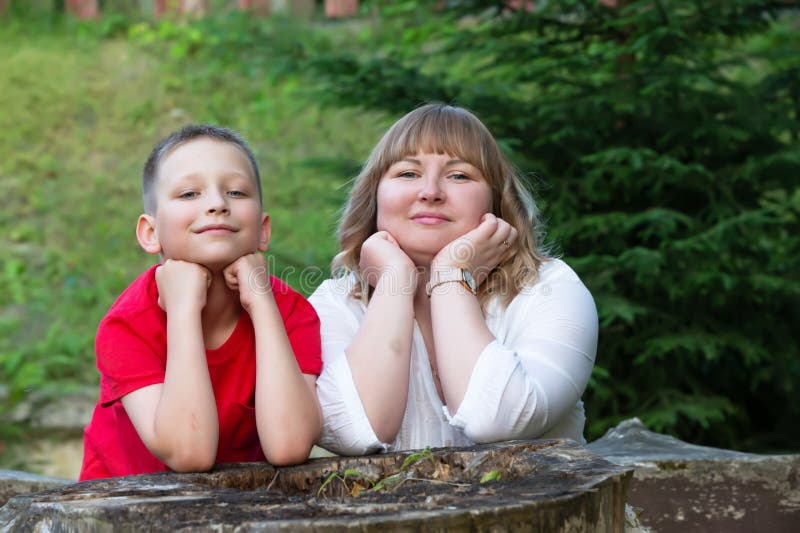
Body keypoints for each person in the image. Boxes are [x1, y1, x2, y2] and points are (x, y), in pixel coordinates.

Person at [310, 103, 598, 455]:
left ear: (496, 201)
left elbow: (495, 419)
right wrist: (394, 283)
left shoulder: (550, 288)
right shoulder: (336, 303)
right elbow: (356, 433)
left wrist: (451, 277)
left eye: (459, 175)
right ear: (374, 197)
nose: (430, 191)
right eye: (408, 174)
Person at [79, 125, 322, 481]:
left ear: (263, 230)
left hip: (240, 511)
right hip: (119, 510)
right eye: (190, 193)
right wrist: (182, 311)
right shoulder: (128, 325)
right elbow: (189, 452)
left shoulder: (292, 314)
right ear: (151, 233)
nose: (217, 204)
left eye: (236, 192)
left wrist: (262, 304)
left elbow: (289, 445)